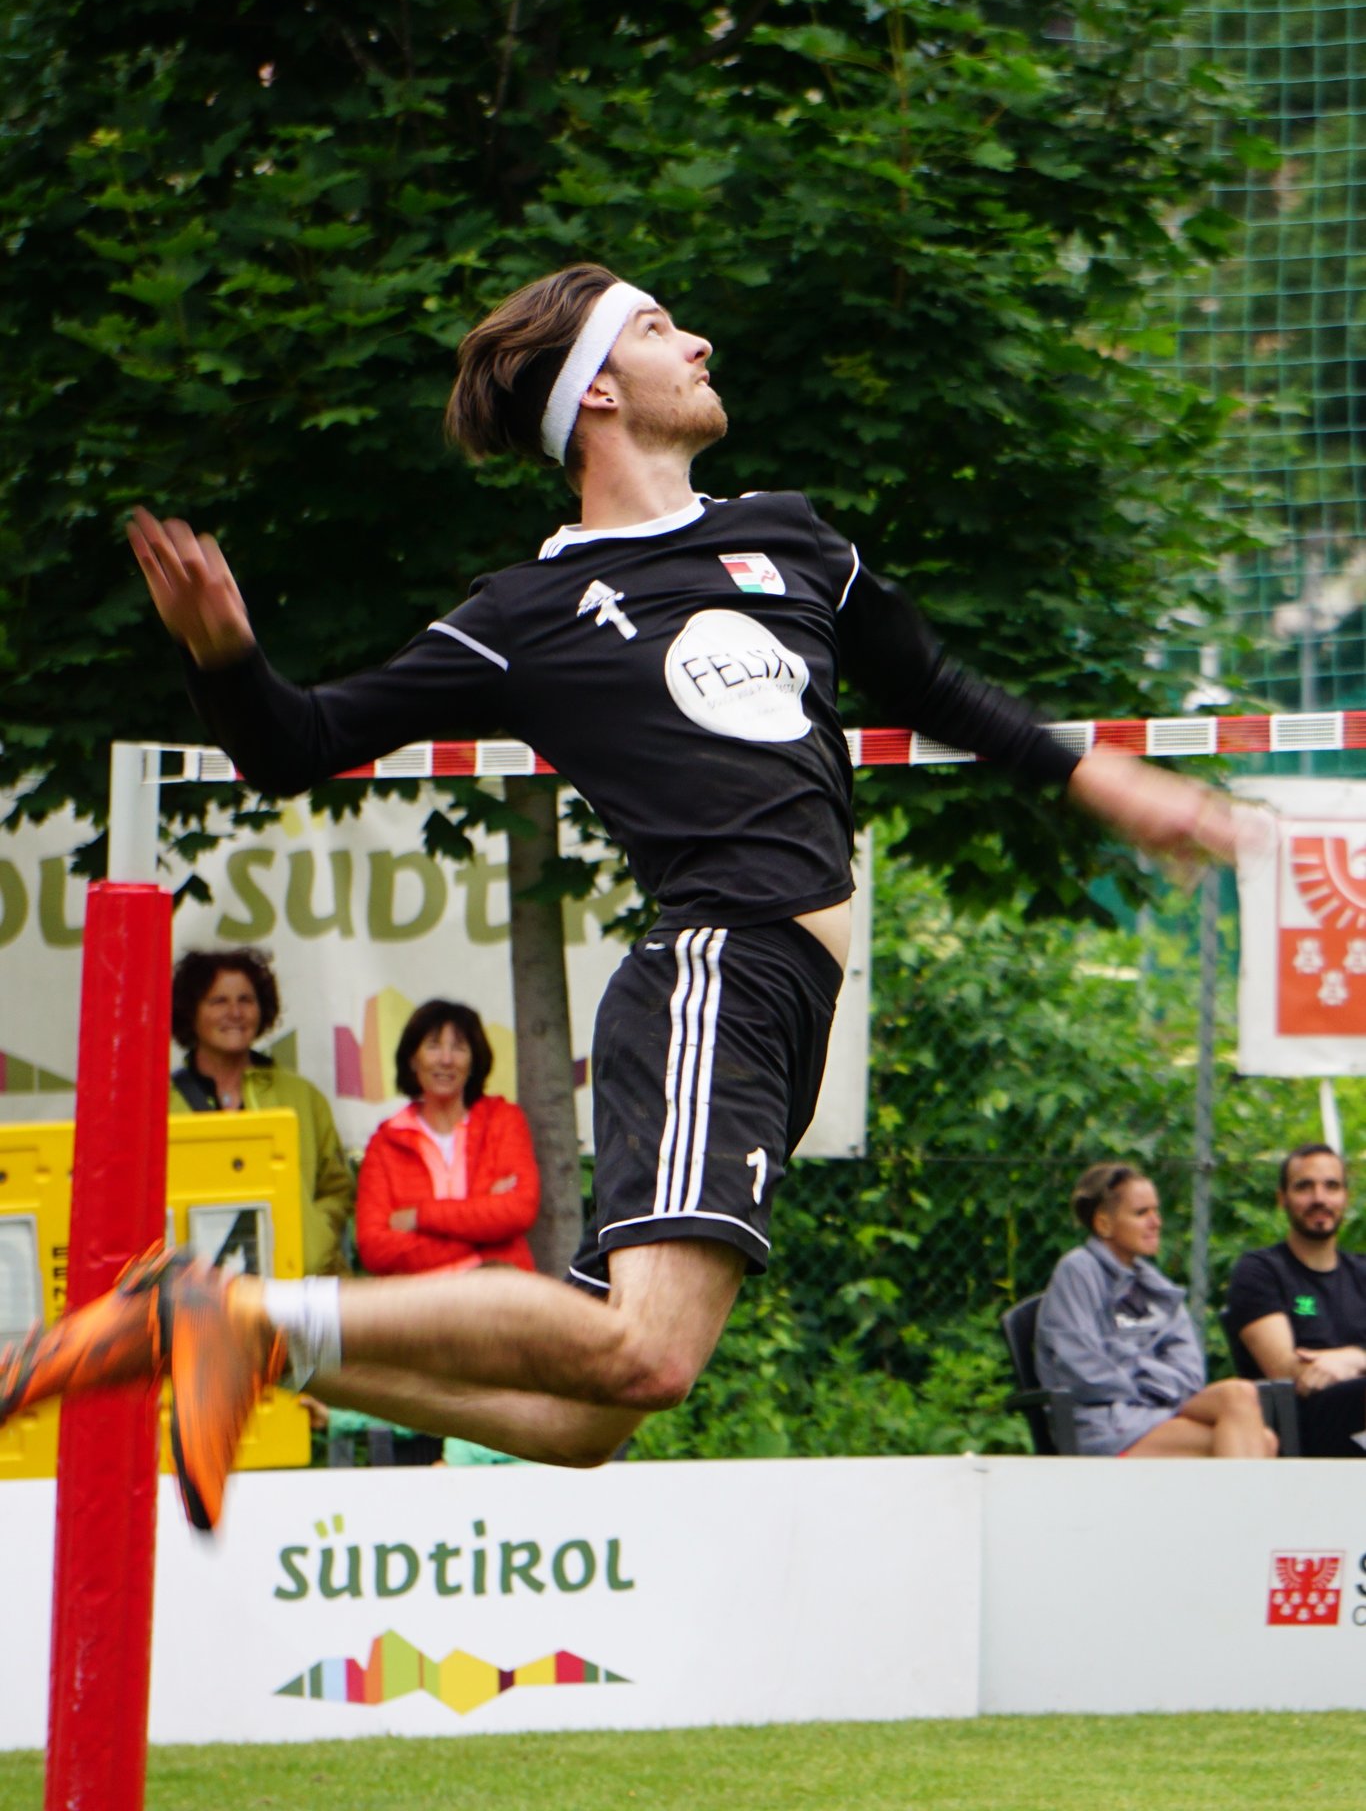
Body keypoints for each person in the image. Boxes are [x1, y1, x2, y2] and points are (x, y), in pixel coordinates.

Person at [1, 263, 1252, 1531]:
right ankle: (229, 1308)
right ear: (595, 390)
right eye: (658, 327)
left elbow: (932, 685)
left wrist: (1105, 780)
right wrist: (224, 655)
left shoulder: (792, 536)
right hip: (716, 966)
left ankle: (270, 1344)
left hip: (786, 997)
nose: (697, 341)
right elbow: (294, 742)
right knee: (643, 1352)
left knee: (587, 1417)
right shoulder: (525, 612)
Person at [1035, 1161, 1275, 1458]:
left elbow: (1190, 1373)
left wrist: (1134, 1371)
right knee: (1261, 1442)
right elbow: (1083, 1370)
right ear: (1103, 1223)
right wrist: (1154, 1381)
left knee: (1240, 1394)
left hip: (1160, 1410)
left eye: (1155, 1211)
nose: (1156, 1222)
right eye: (1141, 1213)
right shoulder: (1078, 1271)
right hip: (1107, 1426)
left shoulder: (1157, 1287)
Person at [168, 946, 355, 1277]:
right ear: (190, 1012)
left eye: (246, 1000)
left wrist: (314, 1237)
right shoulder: (163, 1104)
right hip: (196, 1291)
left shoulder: (302, 1096)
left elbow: (337, 1189)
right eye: (218, 1001)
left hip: (298, 1284)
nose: (235, 1012)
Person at [356, 999, 540, 1277]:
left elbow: (519, 1210)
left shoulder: (502, 1121)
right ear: (412, 1059)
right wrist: (485, 1232)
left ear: (474, 1061)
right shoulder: (386, 1143)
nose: (446, 1059)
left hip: (500, 1292)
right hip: (422, 1299)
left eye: (459, 1047)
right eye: (433, 1046)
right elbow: (375, 1249)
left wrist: (419, 1217)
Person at [1225, 1142, 1366, 1457]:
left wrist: (1354, 1359)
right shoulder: (1260, 1271)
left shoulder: (1362, 1273)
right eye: (1304, 1187)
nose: (1319, 1198)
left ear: (1346, 1197)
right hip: (1300, 1430)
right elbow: (1286, 1370)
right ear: (1282, 1199)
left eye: (1331, 1186)